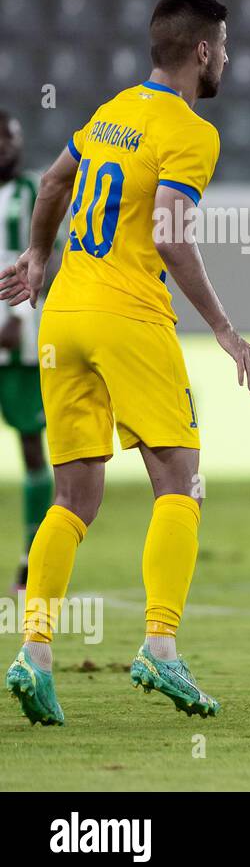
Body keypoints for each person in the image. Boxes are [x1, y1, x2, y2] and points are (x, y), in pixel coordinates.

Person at [1, 0, 250, 725]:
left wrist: (35, 253)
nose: (229, 59)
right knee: (180, 482)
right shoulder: (190, 131)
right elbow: (172, 237)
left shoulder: (110, 112)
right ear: (206, 51)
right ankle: (160, 645)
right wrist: (222, 325)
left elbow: (55, 181)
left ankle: (35, 652)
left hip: (62, 317)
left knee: (72, 498)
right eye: (227, 47)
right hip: (128, 314)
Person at [0, 110, 53, 592]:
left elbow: (44, 255)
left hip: (19, 345)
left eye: (10, 137)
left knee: (33, 446)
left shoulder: (31, 191)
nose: (4, 145)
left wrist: (20, 317)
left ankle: (32, 556)